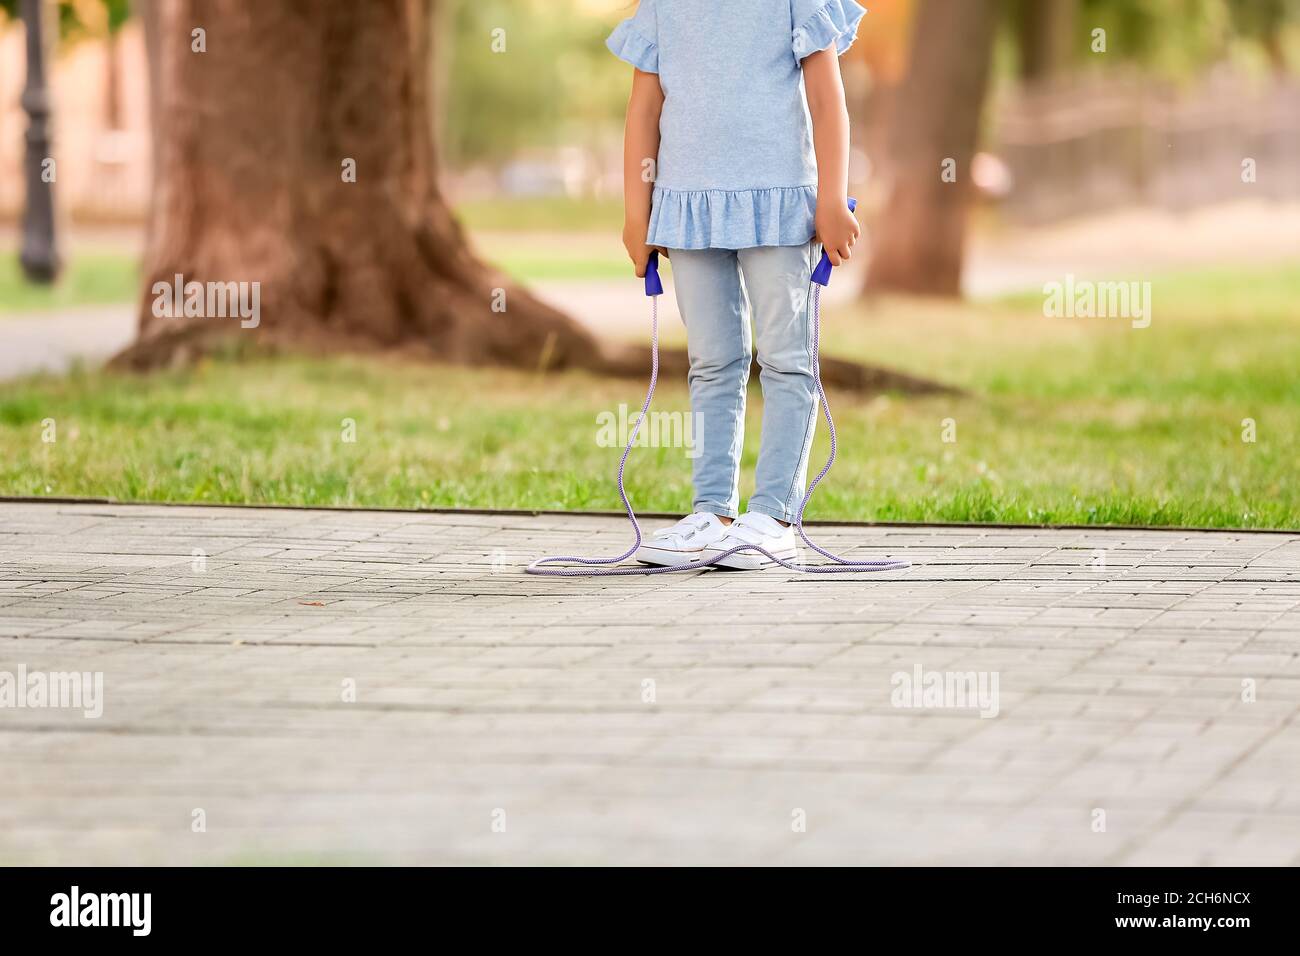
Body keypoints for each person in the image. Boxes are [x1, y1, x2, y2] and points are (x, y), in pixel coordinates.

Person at [608, 0, 865, 569]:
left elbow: (827, 102)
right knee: (713, 361)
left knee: (785, 357)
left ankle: (773, 517)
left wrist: (830, 198)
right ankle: (713, 513)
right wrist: (636, 212)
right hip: (688, 206)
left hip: (779, 203)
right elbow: (644, 107)